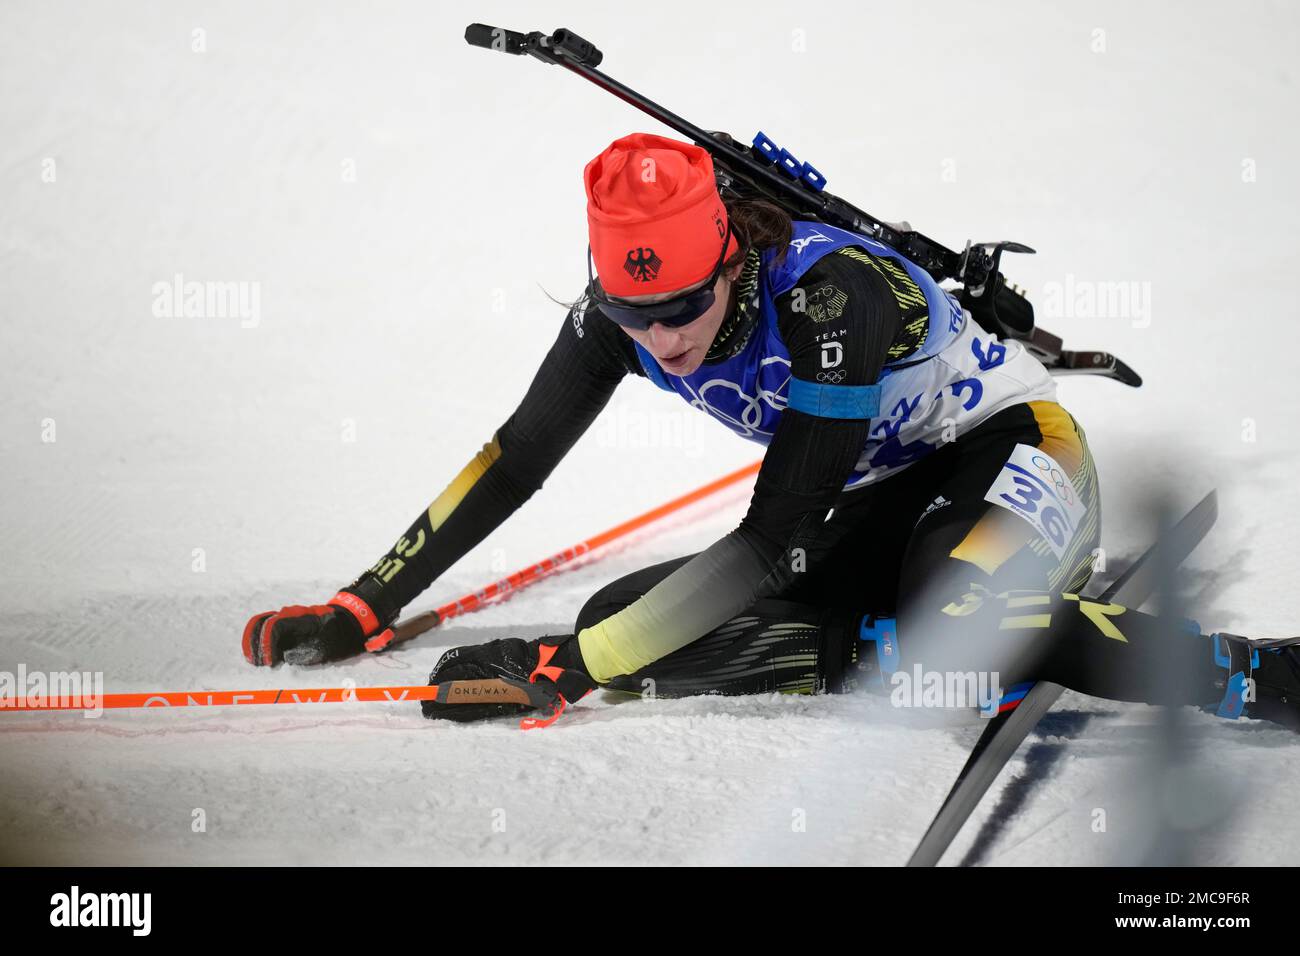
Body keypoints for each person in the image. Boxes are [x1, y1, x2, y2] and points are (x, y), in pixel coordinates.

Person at [242, 133, 1298, 730]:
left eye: (680, 311)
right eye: (631, 317)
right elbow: (516, 457)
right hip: (886, 493)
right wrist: (365, 601)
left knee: (959, 609)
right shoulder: (619, 310)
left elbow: (772, 531)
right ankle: (899, 647)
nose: (662, 340)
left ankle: (1250, 672)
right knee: (634, 614)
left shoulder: (829, 303)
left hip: (1014, 451)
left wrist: (575, 663)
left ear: (728, 264)